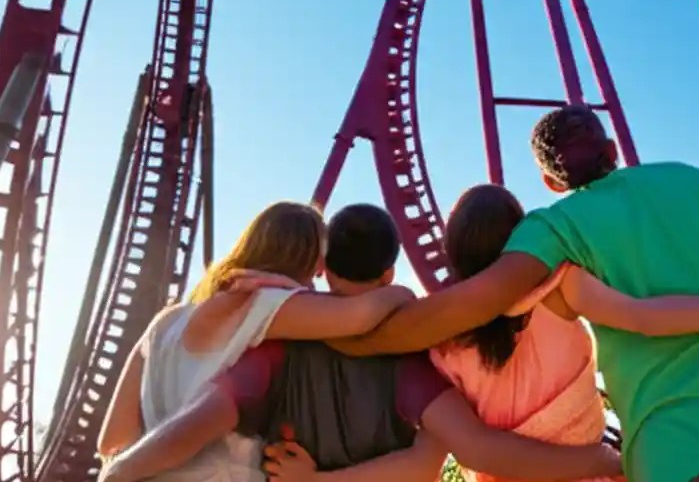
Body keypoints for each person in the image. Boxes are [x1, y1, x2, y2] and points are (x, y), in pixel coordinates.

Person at [327, 105, 699, 482]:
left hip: (682, 448)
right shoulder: (694, 180)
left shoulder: (555, 228)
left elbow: (479, 302)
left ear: (549, 182)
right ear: (613, 148)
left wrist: (358, 337)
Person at [98, 203, 623, 482]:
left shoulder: (252, 343)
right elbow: (448, 458)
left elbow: (131, 436)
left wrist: (123, 471)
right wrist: (604, 461)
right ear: (390, 269)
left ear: (323, 268)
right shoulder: (415, 358)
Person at [430, 183, 699, 482]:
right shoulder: (559, 287)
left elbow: (467, 447)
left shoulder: (438, 338)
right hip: (590, 467)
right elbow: (646, 318)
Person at [96, 201, 414, 481]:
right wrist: (401, 290)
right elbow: (361, 316)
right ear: (312, 262)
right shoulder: (268, 306)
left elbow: (112, 439)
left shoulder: (165, 322)